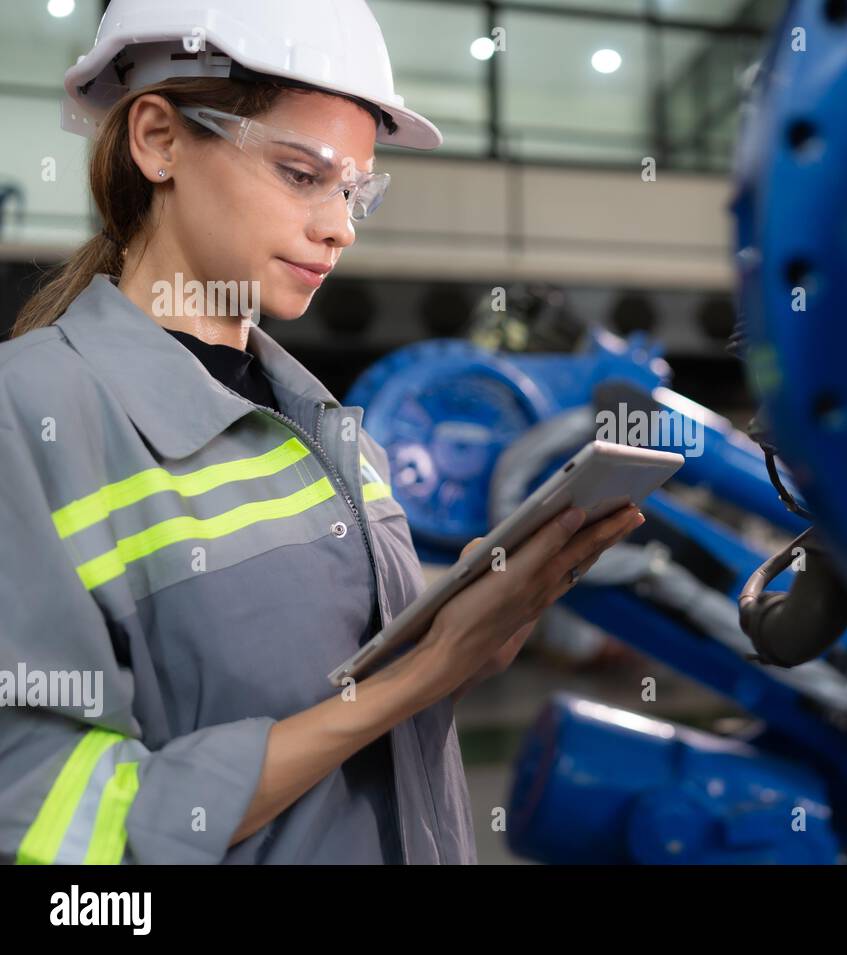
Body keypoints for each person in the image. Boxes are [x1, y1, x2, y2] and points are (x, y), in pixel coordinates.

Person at [0, 0, 643, 864]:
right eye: (303, 175)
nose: (339, 227)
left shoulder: (329, 435)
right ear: (157, 140)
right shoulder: (32, 419)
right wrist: (419, 673)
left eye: (355, 191)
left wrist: (477, 618)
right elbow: (43, 821)